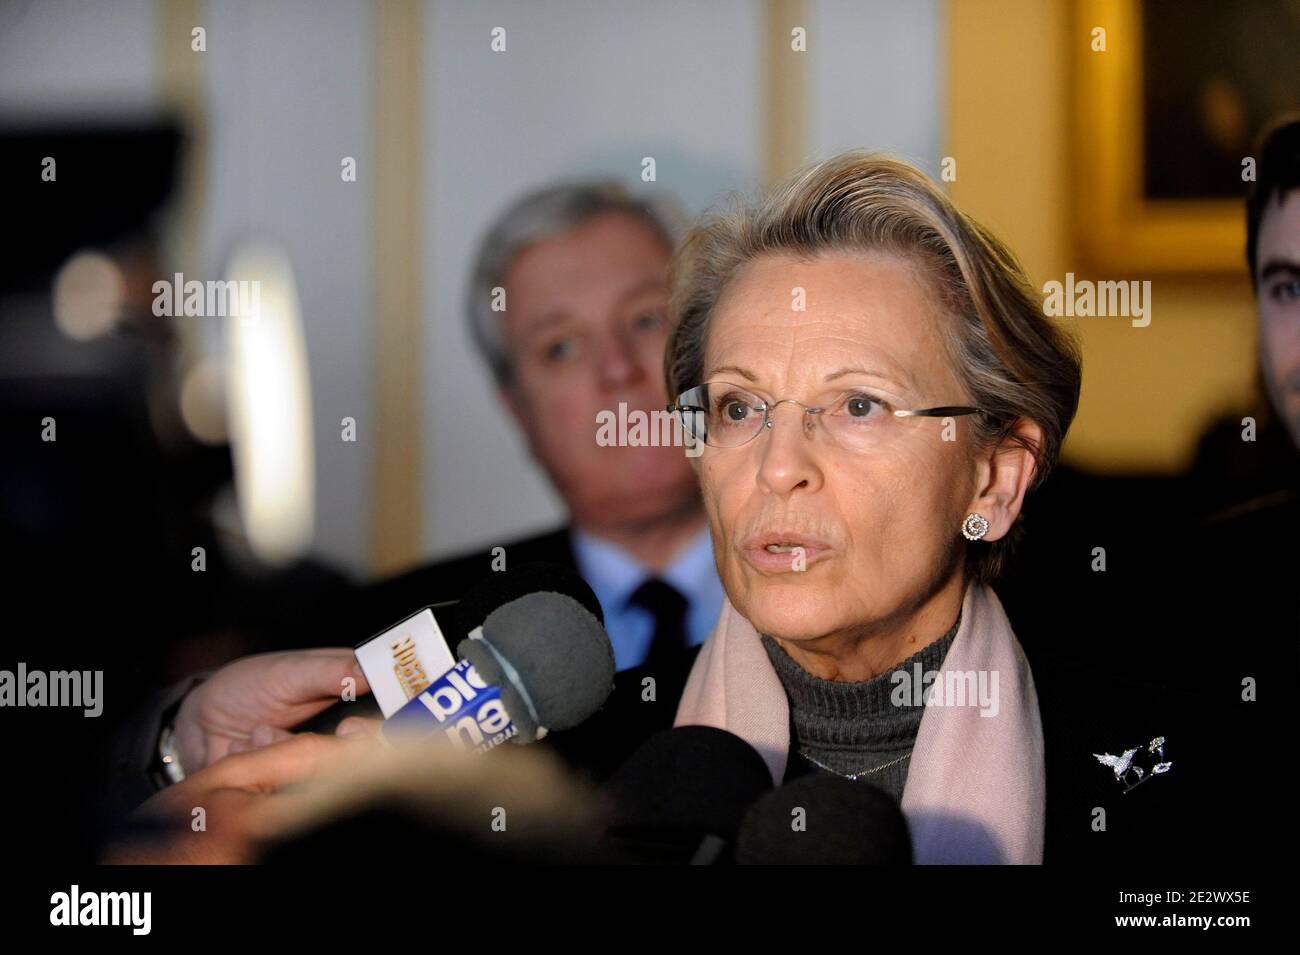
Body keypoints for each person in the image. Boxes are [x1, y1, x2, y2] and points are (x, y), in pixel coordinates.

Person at [661, 151, 1226, 863]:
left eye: (858, 405)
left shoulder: (1180, 788)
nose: (778, 468)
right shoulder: (579, 777)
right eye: (739, 406)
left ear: (993, 480)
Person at [104, 182, 725, 818]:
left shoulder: (823, 611)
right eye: (560, 346)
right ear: (518, 412)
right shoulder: (380, 635)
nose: (617, 370)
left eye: (647, 319)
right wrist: (183, 745)